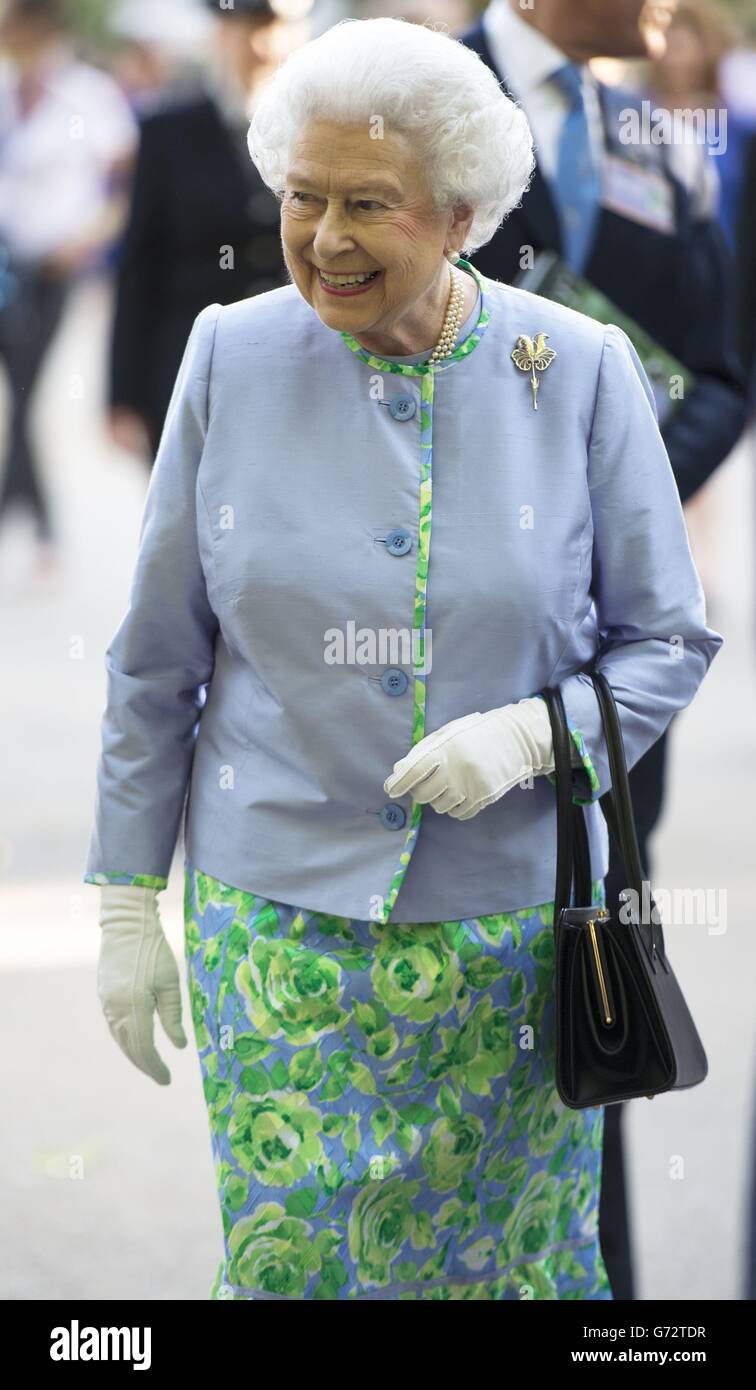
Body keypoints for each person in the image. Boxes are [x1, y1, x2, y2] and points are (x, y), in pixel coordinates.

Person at [84, 17, 722, 1302]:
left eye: (366, 203)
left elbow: (669, 637)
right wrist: (122, 896)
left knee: (514, 1276)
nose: (322, 238)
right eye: (301, 196)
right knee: (297, 1273)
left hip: (513, 946)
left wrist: (535, 735)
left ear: (463, 212)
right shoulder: (232, 353)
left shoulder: (580, 369)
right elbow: (156, 661)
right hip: (279, 934)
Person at [459, 0, 747, 1300]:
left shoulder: (656, 130)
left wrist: (612, 504)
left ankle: (604, 1294)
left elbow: (723, 368)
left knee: (599, 984)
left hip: (615, 664)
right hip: (434, 647)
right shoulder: (405, 93)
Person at [108, 0, 301, 462]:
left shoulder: (312, 130)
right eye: (245, 26)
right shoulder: (167, 132)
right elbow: (139, 264)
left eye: (274, 25)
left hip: (290, 367)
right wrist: (122, 394)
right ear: (220, 33)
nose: (260, 43)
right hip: (189, 367)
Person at [0, 0, 137, 556]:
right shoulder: (6, 91)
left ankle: (27, 511)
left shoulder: (89, 96)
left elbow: (124, 191)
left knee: (26, 387)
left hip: (53, 271)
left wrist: (84, 244)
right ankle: (33, 513)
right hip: (6, 264)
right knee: (20, 390)